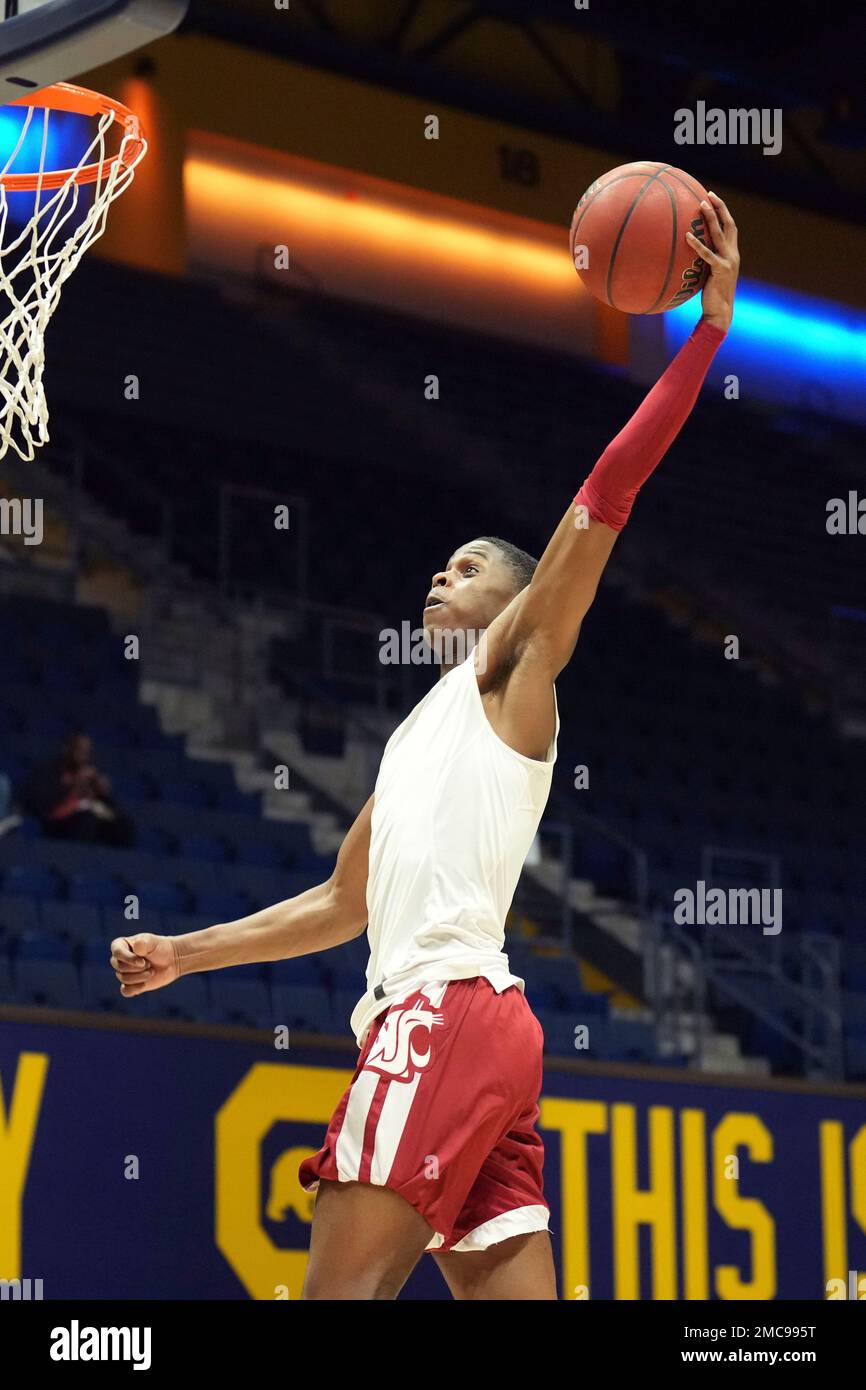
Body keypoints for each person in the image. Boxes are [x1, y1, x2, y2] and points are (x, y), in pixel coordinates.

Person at [110, 194, 739, 1299]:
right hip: (486, 1038)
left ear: (513, 592)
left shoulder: (514, 666)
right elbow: (342, 900)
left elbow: (605, 492)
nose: (436, 579)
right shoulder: (415, 733)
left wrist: (706, 336)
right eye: (437, 568)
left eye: (463, 567)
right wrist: (187, 952)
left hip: (440, 1017)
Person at [19, 729, 135, 848]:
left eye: (87, 752)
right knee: (86, 818)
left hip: (89, 815)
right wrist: (74, 789)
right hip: (57, 822)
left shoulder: (90, 772)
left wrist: (103, 794)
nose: (84, 756)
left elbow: (104, 808)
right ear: (67, 749)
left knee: (124, 824)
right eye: (80, 750)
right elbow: (44, 808)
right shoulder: (48, 771)